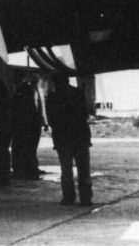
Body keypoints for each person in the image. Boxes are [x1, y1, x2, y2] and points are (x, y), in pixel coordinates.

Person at [45, 75, 93, 206]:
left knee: (66, 169)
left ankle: (68, 197)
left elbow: (51, 120)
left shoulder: (52, 97)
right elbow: (84, 114)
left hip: (63, 138)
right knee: (83, 169)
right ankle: (85, 197)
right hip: (79, 137)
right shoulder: (78, 93)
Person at [11, 78, 42, 179]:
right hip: (32, 126)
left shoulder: (20, 103)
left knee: (23, 149)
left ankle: (24, 170)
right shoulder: (31, 105)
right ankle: (30, 169)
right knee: (30, 149)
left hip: (25, 127)